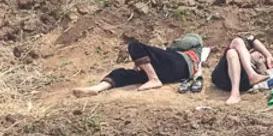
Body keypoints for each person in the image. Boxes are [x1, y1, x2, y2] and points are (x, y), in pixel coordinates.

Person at [73, 35, 203, 95]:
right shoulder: (171, 58)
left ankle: (153, 79)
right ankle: (96, 88)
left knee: (135, 46)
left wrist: (171, 46)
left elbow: (179, 45)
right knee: (121, 73)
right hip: (170, 74)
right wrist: (142, 63)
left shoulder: (195, 40)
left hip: (180, 63)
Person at [211, 34, 273, 105]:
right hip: (222, 77)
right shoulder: (243, 54)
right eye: (260, 54)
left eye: (261, 58)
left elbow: (249, 40)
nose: (260, 55)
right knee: (233, 51)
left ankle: (235, 94)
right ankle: (251, 75)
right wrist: (268, 56)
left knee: (233, 49)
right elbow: (252, 39)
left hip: (242, 82)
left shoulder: (260, 70)